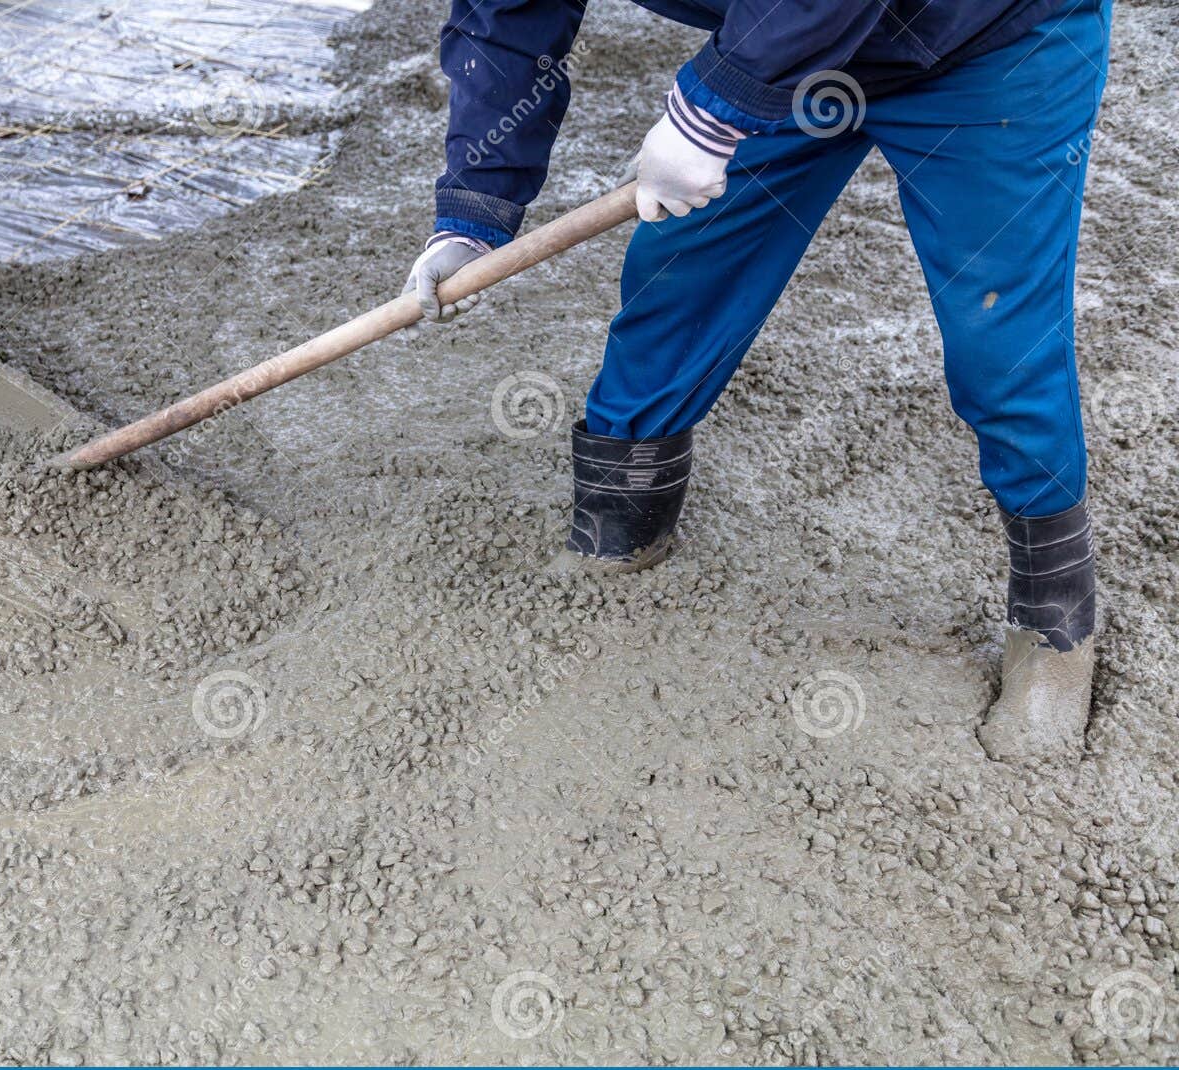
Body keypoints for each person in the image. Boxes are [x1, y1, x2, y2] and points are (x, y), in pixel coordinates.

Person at [405, 0, 1112, 761]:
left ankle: (1054, 621)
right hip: (786, 51)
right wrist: (473, 212)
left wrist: (712, 108)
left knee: (1001, 342)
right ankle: (621, 520)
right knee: (680, 279)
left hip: (987, 42)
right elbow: (509, 11)